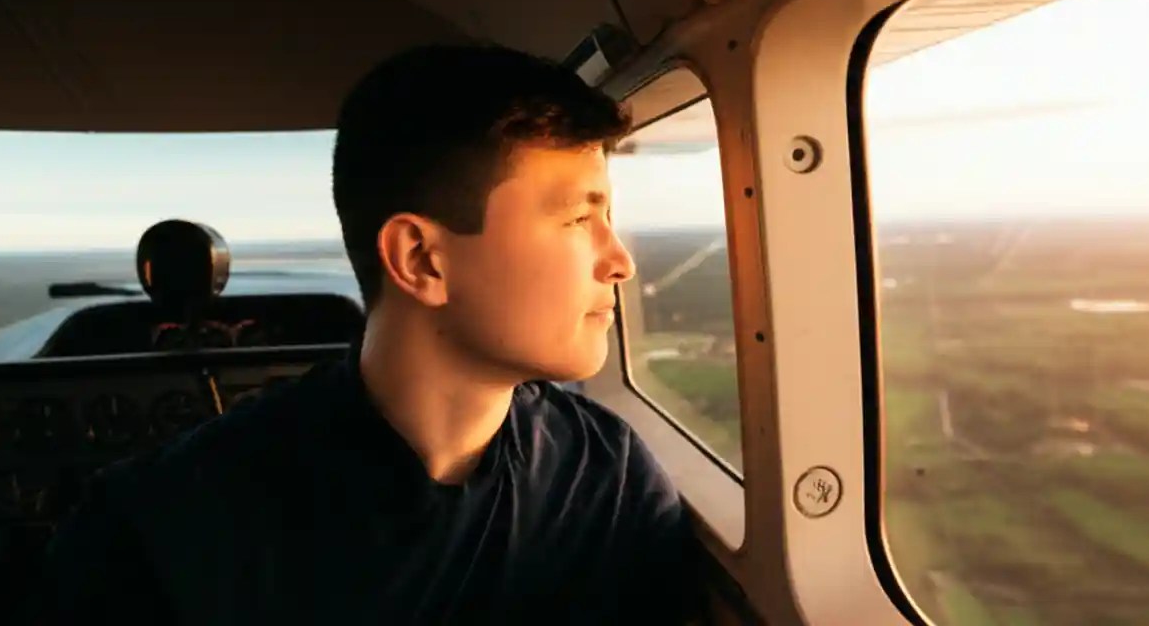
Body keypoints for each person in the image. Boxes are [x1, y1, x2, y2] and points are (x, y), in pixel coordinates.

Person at [40, 44, 698, 623]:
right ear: (421, 260)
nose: (620, 261)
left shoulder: (609, 481)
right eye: (579, 219)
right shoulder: (155, 537)